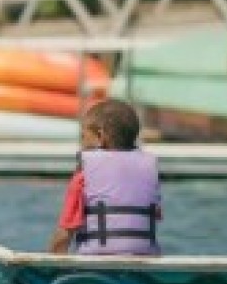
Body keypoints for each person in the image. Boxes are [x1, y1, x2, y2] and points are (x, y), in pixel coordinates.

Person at [48, 98, 164, 256]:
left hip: (96, 264)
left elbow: (64, 235)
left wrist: (49, 266)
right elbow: (154, 216)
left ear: (100, 136)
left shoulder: (84, 174)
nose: (81, 143)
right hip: (145, 264)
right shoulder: (148, 168)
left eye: (83, 136)